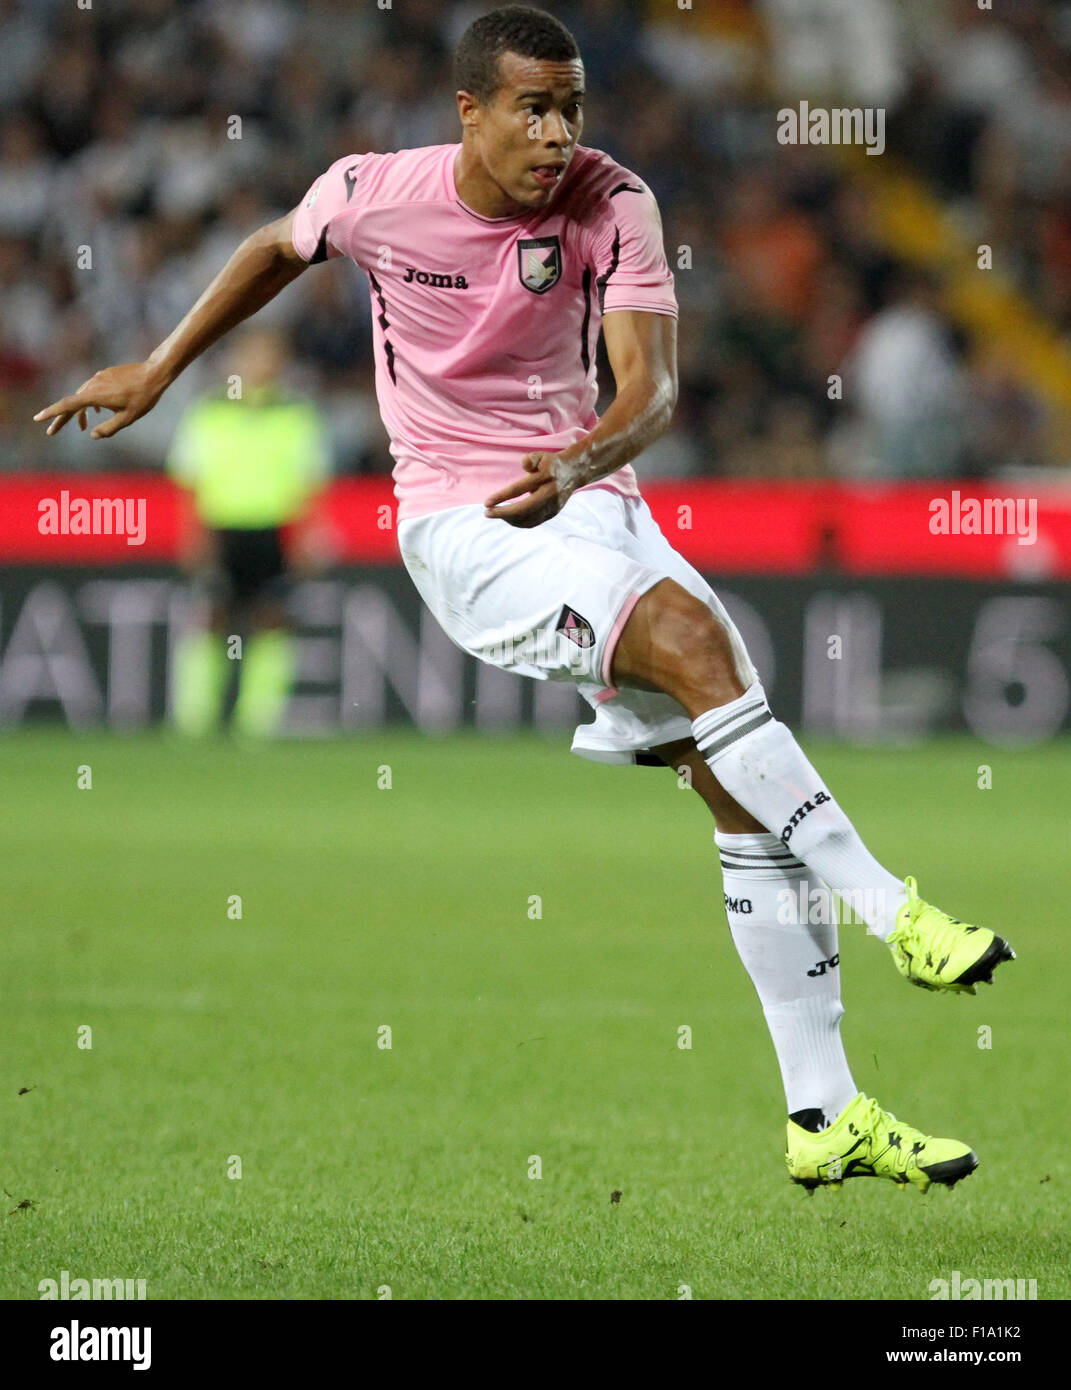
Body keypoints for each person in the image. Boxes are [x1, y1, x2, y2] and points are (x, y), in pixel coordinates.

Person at [35, 5, 1013, 1191]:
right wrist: (160, 366)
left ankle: (824, 1115)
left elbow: (650, 389)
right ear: (472, 111)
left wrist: (583, 463)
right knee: (706, 647)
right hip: (464, 525)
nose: (557, 133)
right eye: (533, 108)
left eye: (573, 107)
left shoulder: (614, 200)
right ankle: (892, 908)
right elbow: (271, 249)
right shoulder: (374, 191)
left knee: (741, 789)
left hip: (591, 498)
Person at [167, 325, 330, 735]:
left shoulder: (295, 414)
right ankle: (194, 720)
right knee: (210, 618)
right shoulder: (210, 411)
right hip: (221, 529)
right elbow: (190, 480)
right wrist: (193, 536)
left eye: (269, 355)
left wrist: (307, 537)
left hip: (274, 530)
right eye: (252, 355)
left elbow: (309, 482)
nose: (260, 364)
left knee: (272, 619)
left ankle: (259, 724)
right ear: (234, 363)